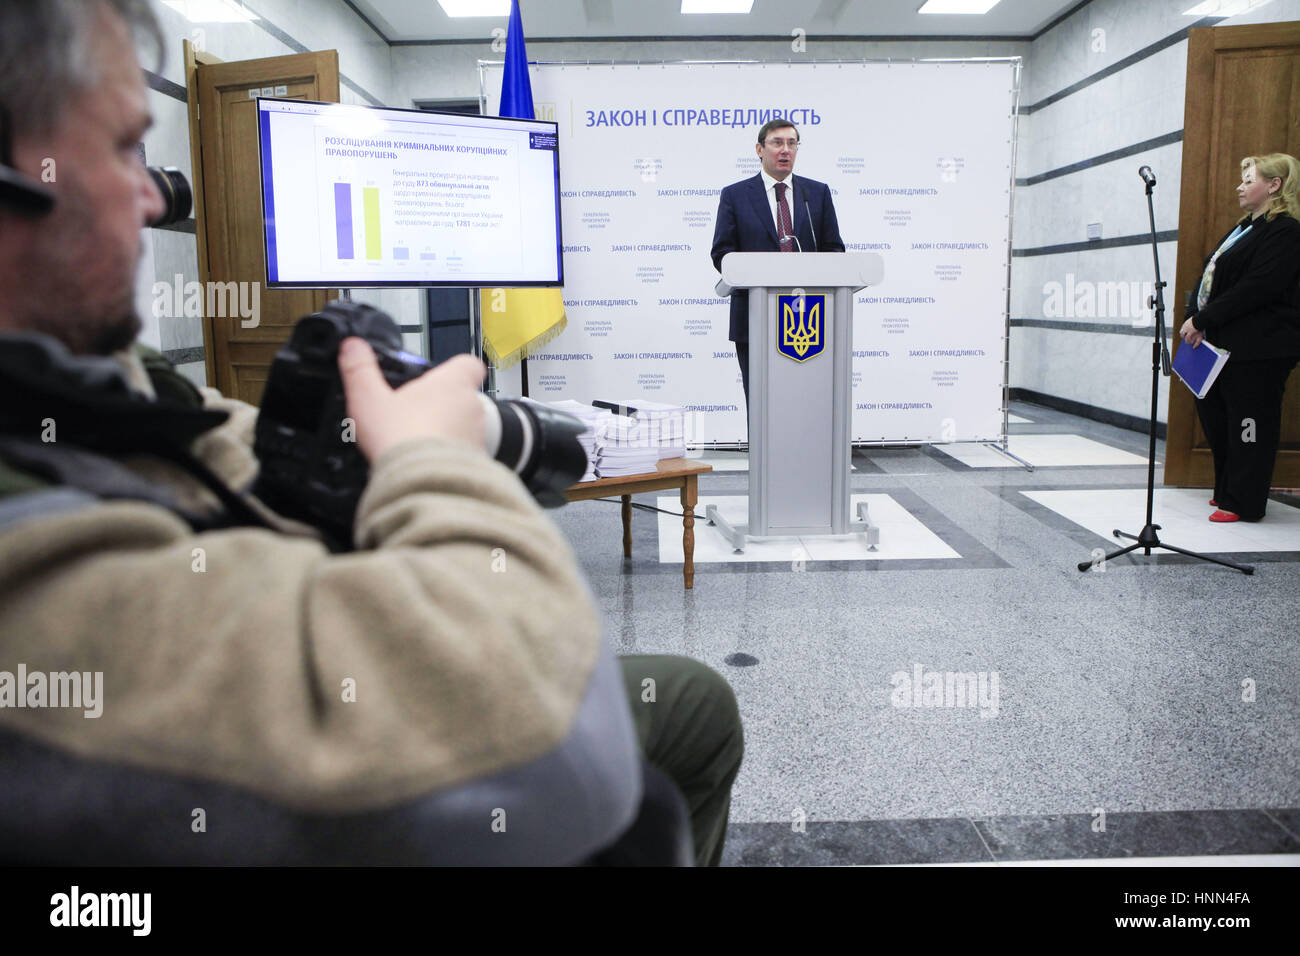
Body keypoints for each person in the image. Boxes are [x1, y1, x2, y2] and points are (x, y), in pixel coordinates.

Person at [0, 0, 741, 866]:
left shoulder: (75, 363)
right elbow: (549, 743)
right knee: (639, 798)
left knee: (691, 704)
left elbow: (204, 439)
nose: (155, 199)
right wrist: (432, 464)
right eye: (127, 149)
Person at [1179, 153, 1300, 523]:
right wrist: (1194, 316)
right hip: (1223, 345)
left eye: (1249, 180)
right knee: (1219, 419)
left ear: (1274, 185)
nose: (1240, 186)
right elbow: (1211, 278)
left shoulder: (1286, 231)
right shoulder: (1245, 228)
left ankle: (1244, 502)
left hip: (1260, 349)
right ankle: (1226, 488)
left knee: (1250, 425)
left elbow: (1257, 288)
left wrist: (1203, 318)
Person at [710, 119, 846, 403]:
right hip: (754, 317)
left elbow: (834, 250)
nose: (785, 150)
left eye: (792, 143)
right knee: (762, 400)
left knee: (807, 400)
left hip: (809, 320)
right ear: (760, 149)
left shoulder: (816, 194)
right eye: (777, 143)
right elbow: (722, 252)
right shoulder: (735, 195)